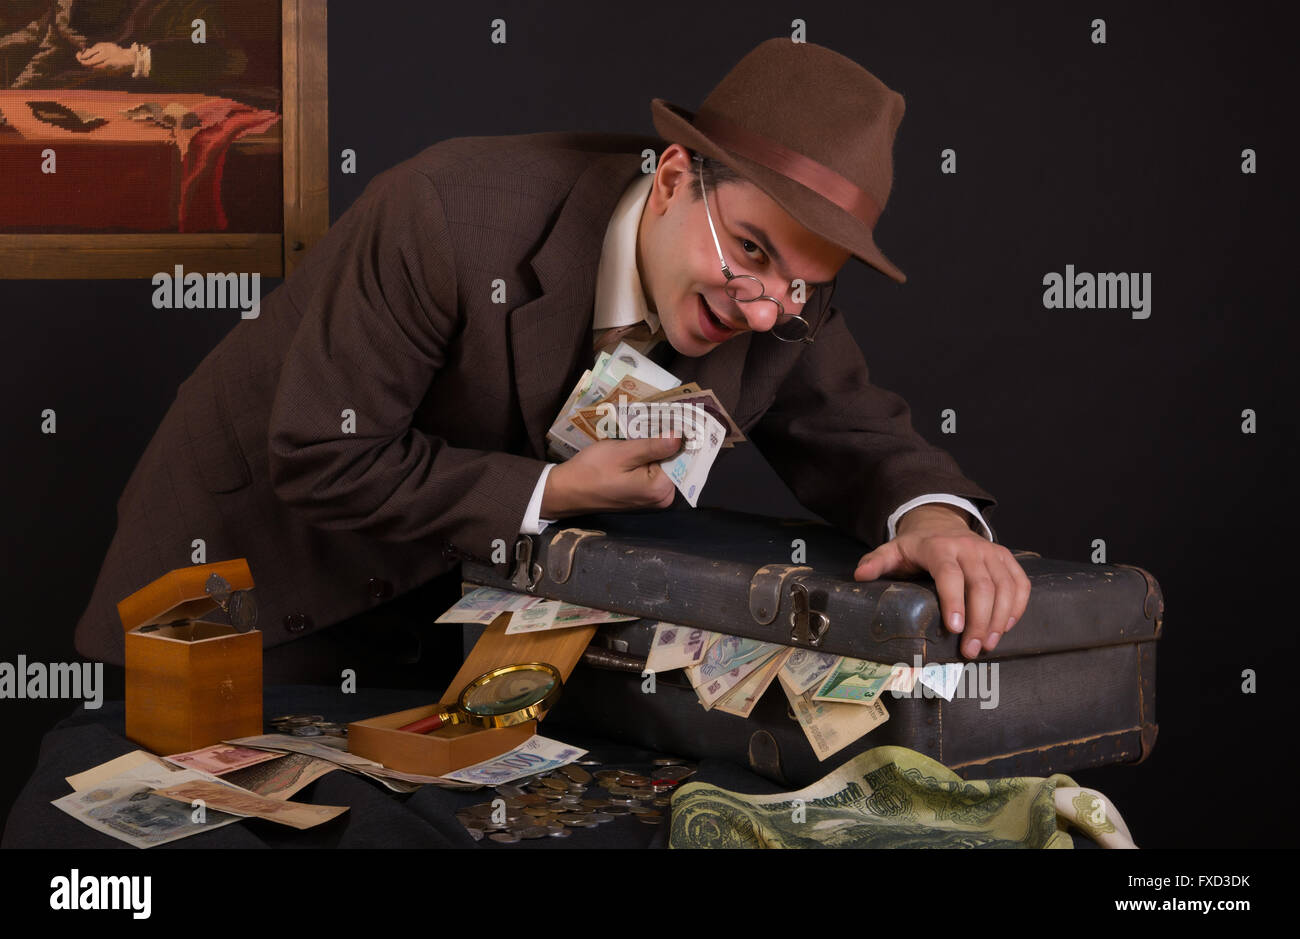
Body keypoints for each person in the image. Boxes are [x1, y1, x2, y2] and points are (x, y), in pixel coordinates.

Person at [73, 39, 1029, 677]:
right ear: (670, 178)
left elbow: (860, 433)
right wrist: (556, 494)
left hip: (457, 619)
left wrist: (943, 523)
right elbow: (325, 452)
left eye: (803, 286)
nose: (763, 303)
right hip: (247, 582)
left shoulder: (781, 300)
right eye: (749, 250)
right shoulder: (446, 215)